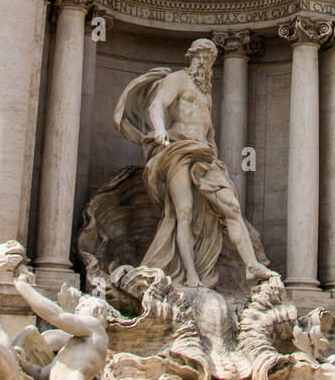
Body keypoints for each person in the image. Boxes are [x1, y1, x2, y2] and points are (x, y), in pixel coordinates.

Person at [114, 38, 273, 288]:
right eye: (200, 57)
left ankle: (251, 265)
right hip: (177, 149)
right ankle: (190, 274)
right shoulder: (177, 79)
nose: (205, 62)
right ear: (191, 57)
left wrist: (211, 149)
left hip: (203, 154)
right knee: (183, 213)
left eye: (209, 59)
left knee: (231, 206)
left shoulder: (205, 91)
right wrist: (160, 130)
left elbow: (207, 128)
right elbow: (157, 105)